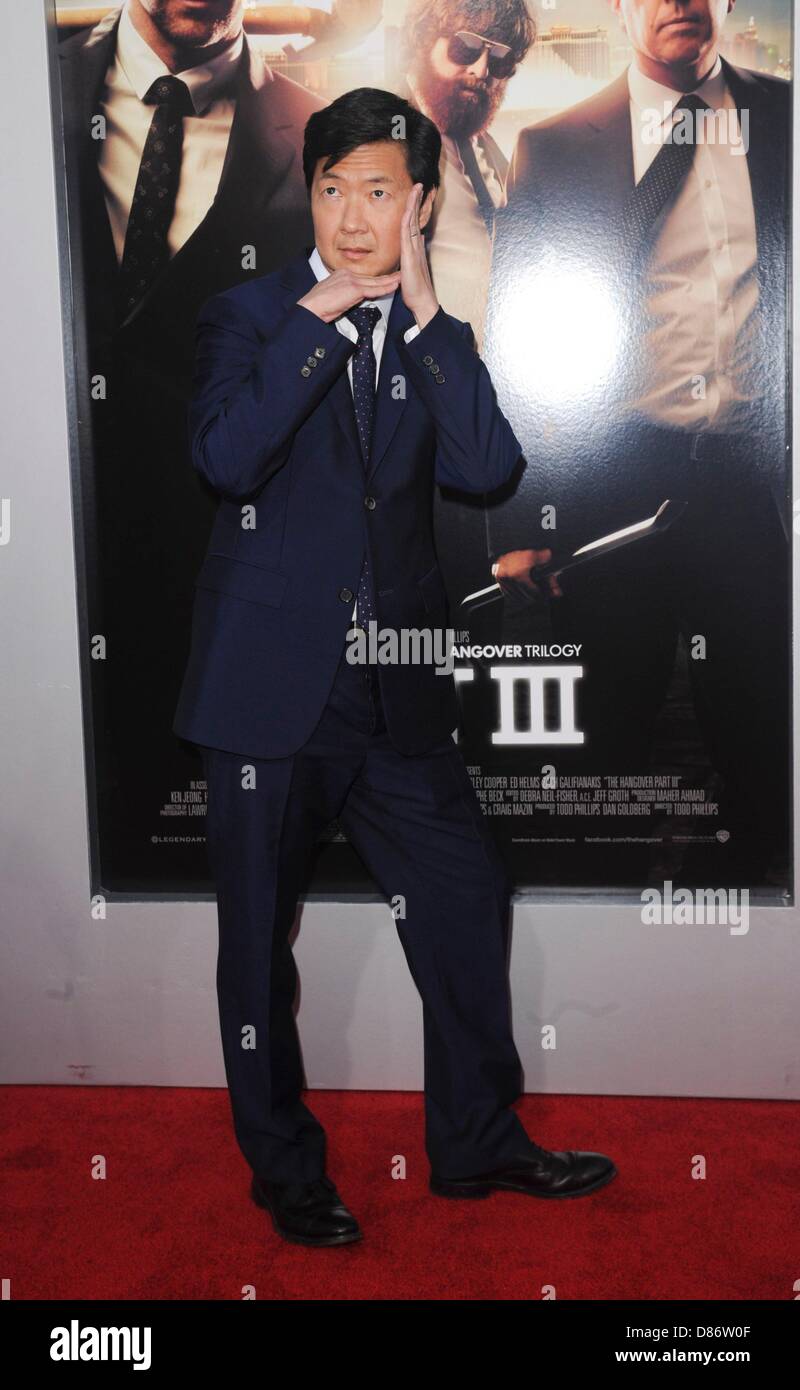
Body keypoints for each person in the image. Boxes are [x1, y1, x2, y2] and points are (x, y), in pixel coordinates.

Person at [172, 87, 617, 1246]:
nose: (352, 214)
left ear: (418, 202)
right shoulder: (249, 314)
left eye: (378, 190)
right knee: (256, 951)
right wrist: (322, 316)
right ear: (307, 194)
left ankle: (474, 1141)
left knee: (467, 901)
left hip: (395, 687)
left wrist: (425, 317)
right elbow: (224, 455)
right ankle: (285, 1171)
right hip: (268, 690)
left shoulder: (433, 330)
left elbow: (485, 468)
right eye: (331, 188)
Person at [485, 0, 791, 888]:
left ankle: (747, 934)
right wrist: (520, 516)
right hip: (615, 486)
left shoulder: (786, 120)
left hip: (751, 483)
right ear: (619, 8)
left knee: (766, 735)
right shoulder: (555, 144)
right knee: (603, 746)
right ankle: (607, 956)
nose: (678, 4)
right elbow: (516, 346)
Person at [58, 0, 324, 887]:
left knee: (225, 858)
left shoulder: (317, 129)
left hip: (229, 558)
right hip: (46, 549)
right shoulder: (41, 87)